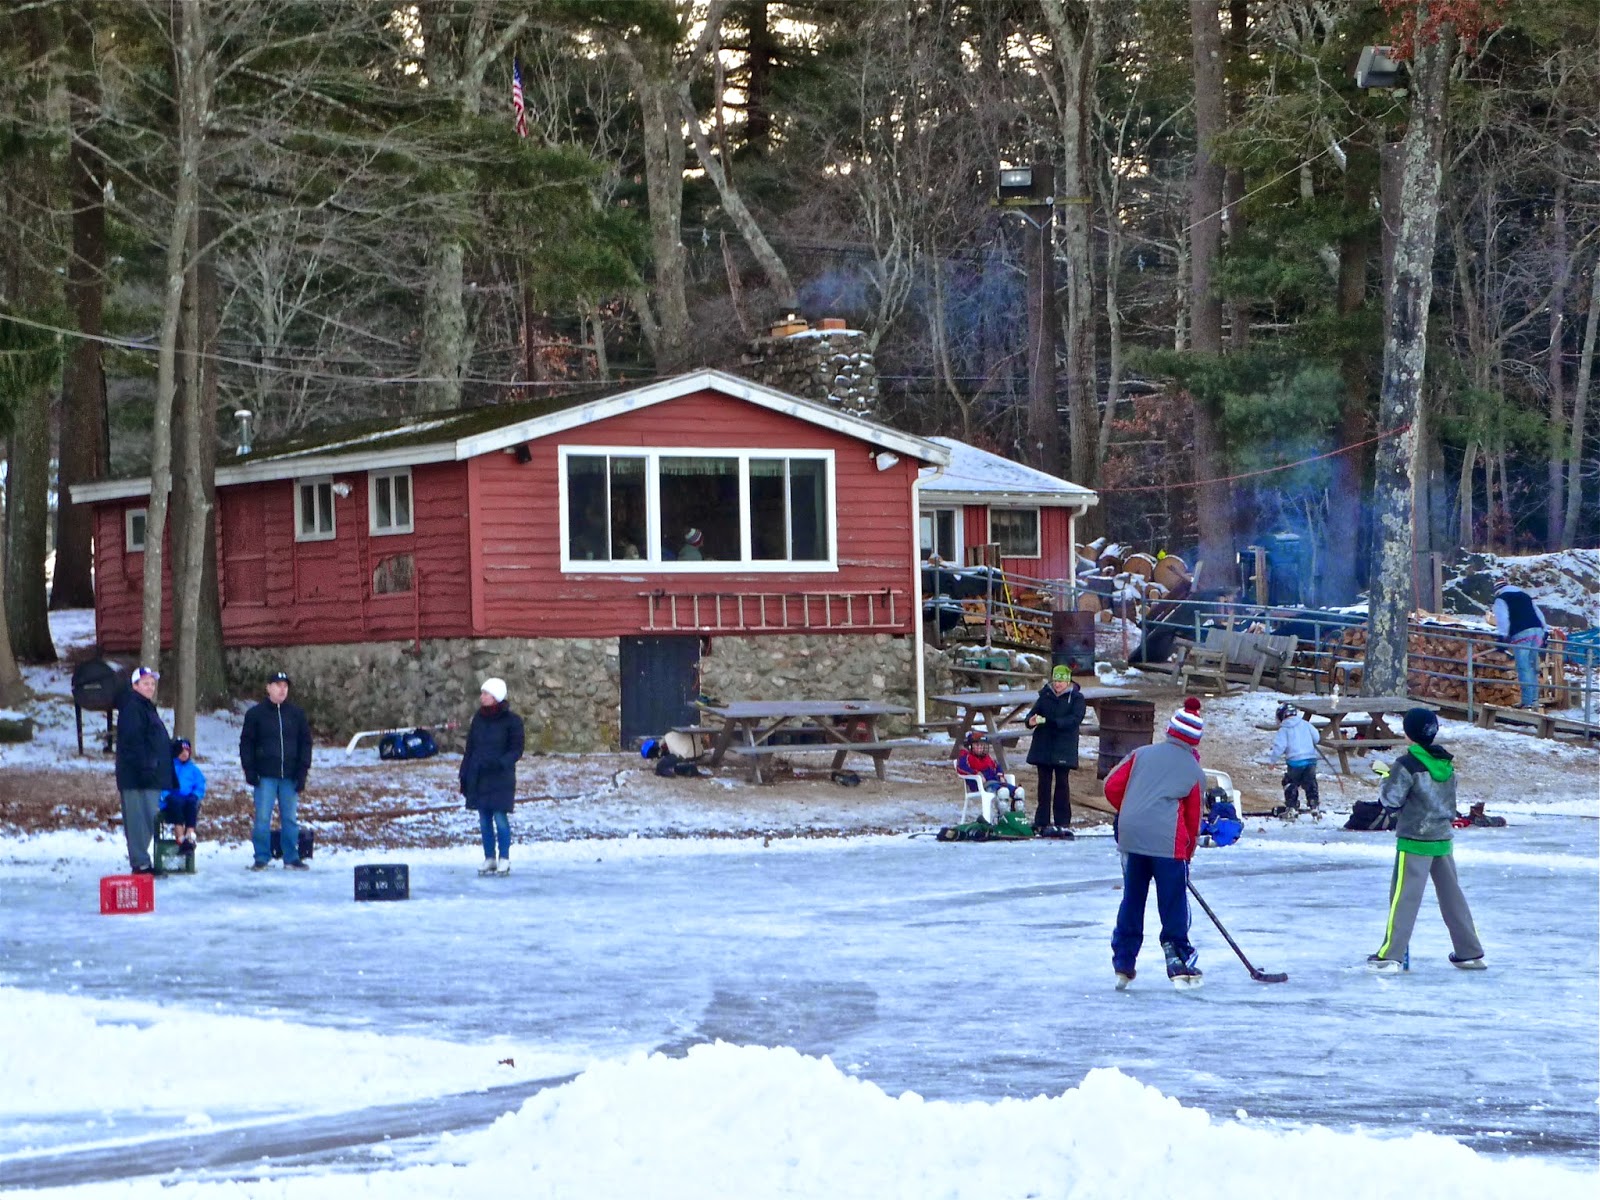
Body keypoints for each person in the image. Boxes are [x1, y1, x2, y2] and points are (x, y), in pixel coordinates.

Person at [1367, 708, 1486, 973]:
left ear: (1408, 733)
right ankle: (1470, 951)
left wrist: (1385, 778)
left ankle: (1390, 955)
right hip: (1442, 838)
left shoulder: (1406, 765)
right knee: (1452, 897)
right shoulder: (1446, 763)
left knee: (1404, 898)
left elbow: (1391, 800)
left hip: (1414, 839)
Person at [1104, 704, 1207, 989]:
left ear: (1169, 730)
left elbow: (1111, 786)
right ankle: (1178, 960)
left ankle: (1123, 962)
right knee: (1173, 902)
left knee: (1132, 898)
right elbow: (1193, 819)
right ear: (1196, 740)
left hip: (1131, 837)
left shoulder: (1141, 754)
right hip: (1167, 845)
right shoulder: (1194, 770)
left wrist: (1132, 810)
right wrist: (1187, 854)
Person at [240, 670, 313, 871]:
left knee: (290, 818)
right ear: (268, 688)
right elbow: (246, 743)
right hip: (265, 775)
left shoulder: (296, 714)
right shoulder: (255, 714)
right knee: (263, 818)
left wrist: (302, 771)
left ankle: (291, 856)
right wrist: (249, 769)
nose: (282, 689)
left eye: (285, 686)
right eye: (278, 685)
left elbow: (305, 743)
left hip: (290, 775)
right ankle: (261, 857)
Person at [461, 677, 525, 875]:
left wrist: (501, 763)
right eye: (482, 693)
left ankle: (504, 857)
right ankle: (489, 857)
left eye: (486, 693)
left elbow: (516, 749)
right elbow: (470, 748)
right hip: (480, 775)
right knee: (484, 819)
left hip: (500, 777)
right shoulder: (478, 719)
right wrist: (465, 773)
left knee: (500, 817)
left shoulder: (512, 721)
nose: (482, 697)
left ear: (496, 696)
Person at [115, 666, 175, 875]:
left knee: (149, 818)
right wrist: (146, 766)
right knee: (138, 820)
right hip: (137, 777)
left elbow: (153, 739)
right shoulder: (132, 707)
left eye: (152, 683)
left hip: (150, 775)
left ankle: (142, 860)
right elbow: (133, 742)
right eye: (145, 683)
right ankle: (140, 863)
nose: (150, 687)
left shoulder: (146, 707)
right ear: (135, 686)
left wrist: (172, 748)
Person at [1023, 663, 1087, 837]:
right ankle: (1041, 821)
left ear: (1068, 681)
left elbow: (1075, 719)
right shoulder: (1045, 695)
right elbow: (1031, 714)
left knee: (1062, 784)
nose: (1057, 684)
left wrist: (1052, 722)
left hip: (1064, 746)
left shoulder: (1076, 698)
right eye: (1055, 680)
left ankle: (1062, 821)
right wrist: (1030, 721)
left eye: (1061, 681)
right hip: (1043, 745)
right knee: (1043, 785)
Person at [1492, 576, 1548, 709]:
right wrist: (1545, 630)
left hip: (1521, 633)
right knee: (1532, 666)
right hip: (1537, 631)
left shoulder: (1501, 599)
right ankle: (1534, 700)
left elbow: (1503, 618)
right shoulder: (1525, 596)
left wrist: (1502, 636)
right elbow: (1538, 613)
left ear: (1497, 590)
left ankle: (1527, 702)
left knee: (1524, 667)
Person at [954, 730, 1024, 820]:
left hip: (996, 782)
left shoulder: (986, 758)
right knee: (1003, 793)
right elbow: (961, 768)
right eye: (977, 745)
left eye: (982, 745)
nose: (981, 748)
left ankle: (1017, 819)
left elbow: (997, 766)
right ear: (970, 746)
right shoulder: (966, 757)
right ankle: (1001, 819)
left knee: (1019, 792)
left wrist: (1001, 775)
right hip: (981, 785)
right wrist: (976, 773)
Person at [1266, 702, 1321, 816]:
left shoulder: (1284, 730)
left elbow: (1279, 746)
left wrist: (1273, 761)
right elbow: (1316, 737)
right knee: (1310, 782)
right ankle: (1314, 804)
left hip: (1295, 762)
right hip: (1310, 760)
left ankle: (1292, 807)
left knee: (1290, 783)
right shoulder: (1306, 724)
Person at [159, 737, 207, 849]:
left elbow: (200, 784)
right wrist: (166, 795)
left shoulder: (193, 769)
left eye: (187, 751)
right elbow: (161, 785)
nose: (185, 754)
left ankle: (190, 835)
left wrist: (196, 795)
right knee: (176, 804)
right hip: (171, 800)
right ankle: (180, 836)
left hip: (188, 798)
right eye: (181, 751)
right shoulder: (169, 768)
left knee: (191, 804)